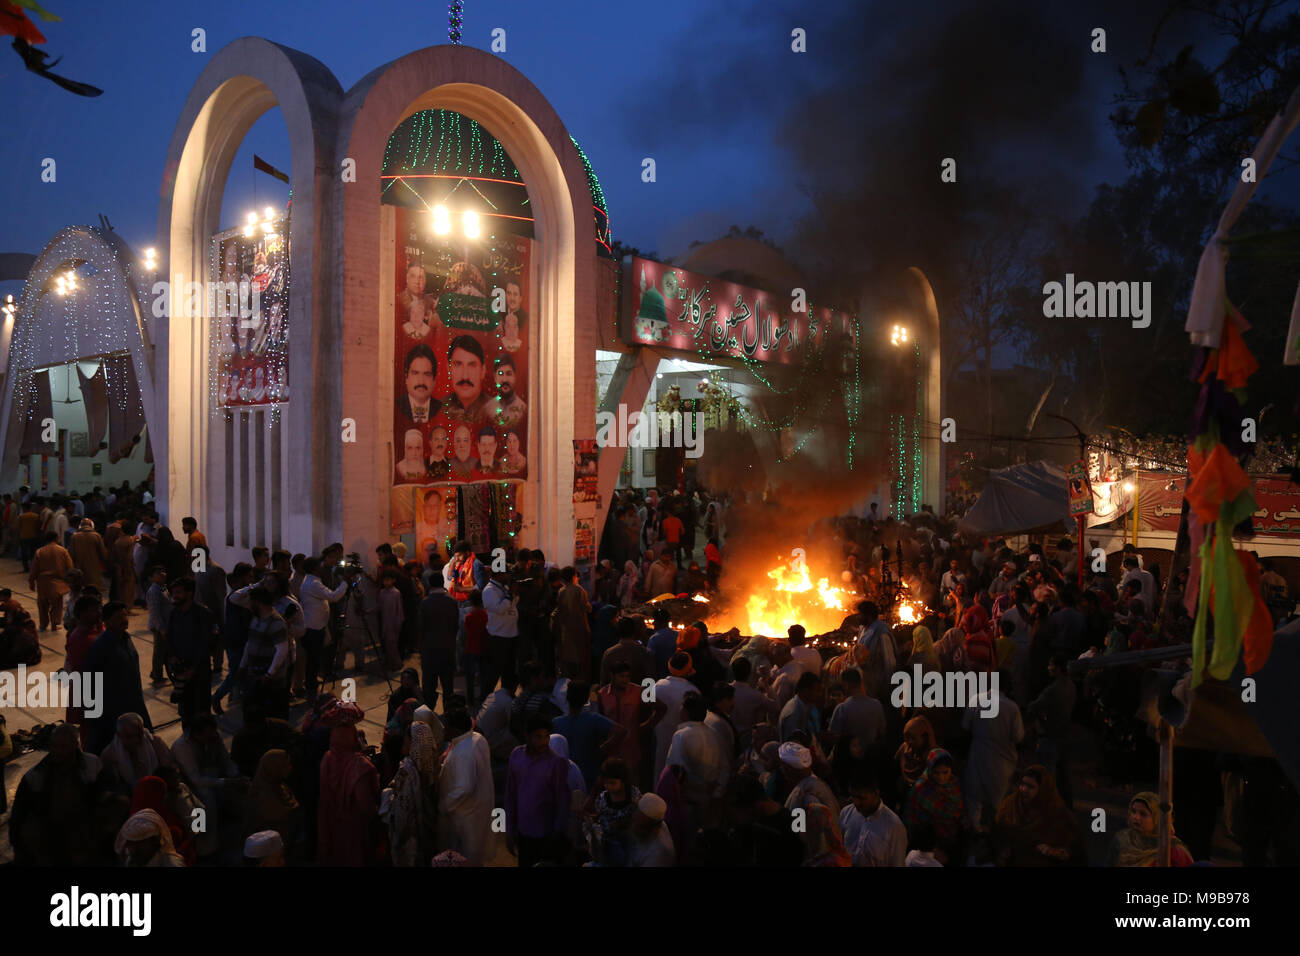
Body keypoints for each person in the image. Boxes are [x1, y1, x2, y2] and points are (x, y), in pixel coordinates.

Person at [9, 723, 108, 866]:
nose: (58, 751)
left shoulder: (92, 765)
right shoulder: (36, 776)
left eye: (63, 746)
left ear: (75, 745)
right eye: (55, 746)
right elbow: (19, 814)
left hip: (84, 825)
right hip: (50, 830)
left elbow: (103, 794)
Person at [505, 714, 574, 866]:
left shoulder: (556, 762)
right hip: (523, 832)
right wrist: (509, 830)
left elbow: (563, 801)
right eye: (538, 737)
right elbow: (510, 795)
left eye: (546, 737)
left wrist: (557, 833)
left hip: (548, 835)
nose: (544, 741)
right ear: (527, 736)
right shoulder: (516, 755)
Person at [82, 604, 150, 754]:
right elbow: (88, 683)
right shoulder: (99, 647)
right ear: (106, 621)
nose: (124, 620)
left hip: (133, 704)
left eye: (125, 616)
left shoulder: (126, 639)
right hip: (110, 714)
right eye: (119, 617)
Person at [318, 713, 381, 866]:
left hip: (332, 821)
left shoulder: (327, 758)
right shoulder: (360, 766)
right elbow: (366, 806)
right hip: (354, 828)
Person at [993, 765, 1083, 866]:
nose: (1023, 789)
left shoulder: (1058, 813)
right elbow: (998, 834)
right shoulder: (1010, 805)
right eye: (1022, 784)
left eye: (1030, 787)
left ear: (1043, 790)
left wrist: (1053, 851)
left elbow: (1072, 850)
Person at [438, 708, 496, 865]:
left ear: (455, 729)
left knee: (465, 858)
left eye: (446, 726)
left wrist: (444, 805)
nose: (444, 729)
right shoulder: (477, 738)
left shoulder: (464, 751)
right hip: (476, 811)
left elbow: (464, 788)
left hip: (466, 817)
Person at [962, 684, 1024, 829]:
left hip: (977, 757)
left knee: (973, 800)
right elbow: (1018, 736)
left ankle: (975, 834)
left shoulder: (976, 700)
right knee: (998, 805)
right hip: (1002, 764)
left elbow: (965, 726)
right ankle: (995, 837)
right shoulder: (1012, 707)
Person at [165, 576, 220, 727]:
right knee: (185, 711)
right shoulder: (173, 613)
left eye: (178, 592)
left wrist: (194, 668)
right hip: (181, 672)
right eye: (173, 592)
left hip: (199, 672)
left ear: (189, 593)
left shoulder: (203, 614)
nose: (174, 596)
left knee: (201, 712)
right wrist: (172, 657)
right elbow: (169, 638)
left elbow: (208, 644)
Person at [384, 720, 439, 866]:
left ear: (413, 742)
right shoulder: (433, 765)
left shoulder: (407, 771)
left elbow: (402, 811)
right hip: (427, 833)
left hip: (409, 836)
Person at [905, 748, 965, 863]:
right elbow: (912, 820)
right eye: (936, 773)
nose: (941, 777)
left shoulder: (954, 783)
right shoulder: (921, 788)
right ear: (929, 769)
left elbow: (958, 810)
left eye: (945, 772)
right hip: (928, 846)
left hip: (951, 840)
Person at [1107, 790, 1195, 866]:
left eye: (1143, 814)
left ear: (1157, 819)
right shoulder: (1122, 839)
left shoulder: (1172, 849)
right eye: (1133, 811)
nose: (1136, 817)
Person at [840, 773, 908, 866]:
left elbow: (898, 863)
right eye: (853, 797)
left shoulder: (894, 826)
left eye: (861, 798)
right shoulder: (846, 813)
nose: (856, 803)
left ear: (876, 793)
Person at [100, 712, 177, 794]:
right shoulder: (109, 754)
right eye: (129, 737)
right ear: (119, 735)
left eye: (139, 735)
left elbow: (170, 769)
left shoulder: (155, 743)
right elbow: (112, 786)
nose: (136, 740)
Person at [243, 749, 301, 852]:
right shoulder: (265, 795)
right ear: (274, 768)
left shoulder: (279, 786)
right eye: (285, 765)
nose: (290, 768)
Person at [417, 571, 460, 708]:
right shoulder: (451, 601)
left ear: (430, 585)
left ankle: (429, 714)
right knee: (448, 686)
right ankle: (449, 714)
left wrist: (420, 648)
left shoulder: (425, 603)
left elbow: (421, 628)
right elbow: (455, 626)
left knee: (429, 686)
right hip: (447, 648)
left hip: (429, 650)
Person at [443, 334, 492, 424]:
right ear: (449, 369)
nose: (465, 376)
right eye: (458, 364)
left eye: (472, 365)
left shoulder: (496, 411)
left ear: (483, 370)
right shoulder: (439, 408)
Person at [29, 530, 73, 631]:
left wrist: (31, 581)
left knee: (42, 604)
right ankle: (54, 624)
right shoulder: (62, 551)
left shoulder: (39, 551)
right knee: (57, 604)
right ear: (56, 538)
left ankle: (43, 625)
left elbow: (34, 568)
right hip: (57, 582)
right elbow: (70, 566)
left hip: (42, 582)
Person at [555, 565, 591, 680]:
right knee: (581, 658)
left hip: (566, 629)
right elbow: (586, 608)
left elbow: (560, 610)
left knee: (568, 658)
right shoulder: (579, 590)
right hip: (580, 628)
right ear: (574, 576)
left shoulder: (561, 591)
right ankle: (580, 682)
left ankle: (568, 681)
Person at [115, 809, 187, 867]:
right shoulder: (132, 860)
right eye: (131, 843)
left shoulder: (171, 863)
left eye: (139, 843)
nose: (133, 849)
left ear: (155, 841)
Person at [626, 792, 677, 866]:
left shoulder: (657, 854)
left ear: (647, 821)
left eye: (638, 815)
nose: (633, 816)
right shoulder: (657, 822)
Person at [396, 343, 441, 424]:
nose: (421, 381)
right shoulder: (395, 407)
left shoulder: (442, 410)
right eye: (415, 373)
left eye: (427, 374)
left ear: (434, 380)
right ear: (406, 377)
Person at [69, 517, 108, 589]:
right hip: (94, 570)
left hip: (79, 570)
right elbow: (103, 554)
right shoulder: (96, 536)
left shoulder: (74, 537)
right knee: (94, 590)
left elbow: (71, 555)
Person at [490, 353, 527, 429]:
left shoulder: (523, 410)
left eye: (509, 374)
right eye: (500, 374)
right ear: (495, 377)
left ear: (515, 376)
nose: (505, 379)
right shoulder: (488, 409)